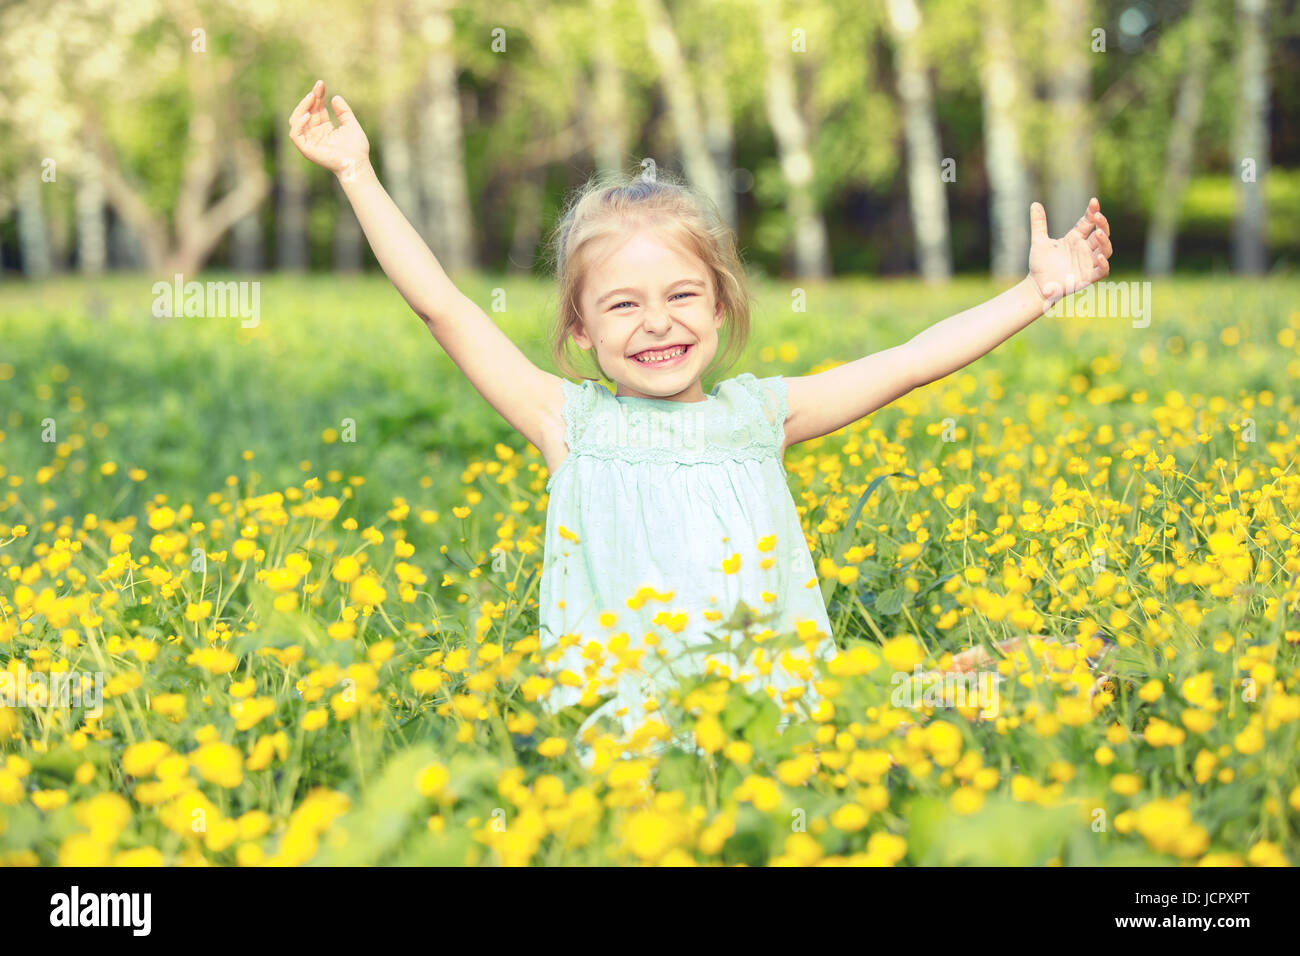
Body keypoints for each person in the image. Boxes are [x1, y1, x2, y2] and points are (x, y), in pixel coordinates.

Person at [287, 80, 1114, 770]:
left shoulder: (759, 416)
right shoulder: (567, 423)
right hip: (633, 742)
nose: (657, 323)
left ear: (718, 306)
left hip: (780, 717)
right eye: (622, 304)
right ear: (580, 328)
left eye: (682, 296)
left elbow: (908, 361)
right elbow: (443, 307)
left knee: (1024, 676)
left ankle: (1020, 686)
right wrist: (356, 171)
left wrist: (1034, 293)